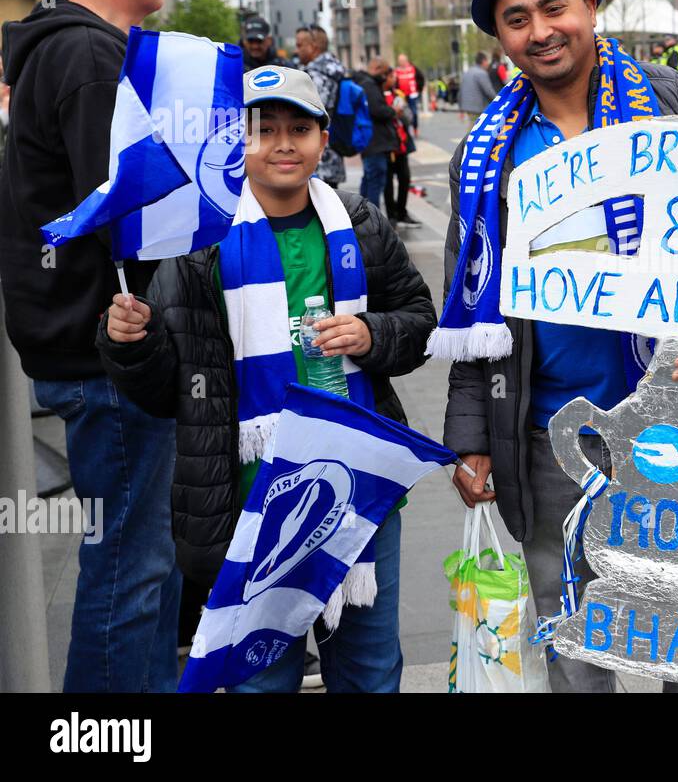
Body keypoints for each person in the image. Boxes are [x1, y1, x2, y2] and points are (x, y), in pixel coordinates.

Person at [434, 0, 678, 693]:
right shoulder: (487, 153)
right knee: (571, 639)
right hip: (549, 435)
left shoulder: (677, 104)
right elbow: (472, 310)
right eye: (516, 19)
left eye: (554, 8)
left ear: (590, 6)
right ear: (500, 37)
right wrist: (469, 440)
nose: (539, 31)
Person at [97, 66, 434, 692]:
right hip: (250, 496)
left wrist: (371, 335)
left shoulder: (359, 222)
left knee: (369, 667)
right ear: (233, 141)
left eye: (299, 127)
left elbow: (419, 321)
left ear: (322, 138)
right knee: (260, 678)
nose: (283, 142)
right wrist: (131, 343)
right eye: (262, 129)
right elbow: (163, 388)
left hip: (360, 486)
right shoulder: (198, 242)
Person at [0, 0, 178, 692]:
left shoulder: (67, 52)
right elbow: (120, 210)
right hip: (107, 355)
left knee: (145, 565)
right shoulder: (87, 57)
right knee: (128, 574)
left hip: (89, 345)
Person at [295, 24, 348, 188]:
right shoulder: (334, 69)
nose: (297, 51)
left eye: (300, 45)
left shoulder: (316, 75)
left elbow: (309, 112)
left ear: (313, 47)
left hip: (319, 160)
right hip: (331, 153)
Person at [354, 57, 399, 211]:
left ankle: (362, 216)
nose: (386, 76)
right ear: (377, 68)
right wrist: (394, 111)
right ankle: (372, 220)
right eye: (385, 72)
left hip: (371, 143)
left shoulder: (367, 84)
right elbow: (377, 110)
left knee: (369, 180)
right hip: (375, 143)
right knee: (375, 182)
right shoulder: (369, 86)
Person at [382, 65, 417, 227]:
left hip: (401, 144)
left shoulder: (398, 95)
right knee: (387, 182)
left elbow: (408, 117)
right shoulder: (378, 97)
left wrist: (402, 112)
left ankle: (402, 211)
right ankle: (392, 215)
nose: (394, 79)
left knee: (405, 178)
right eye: (391, 76)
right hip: (388, 145)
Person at [458, 51, 496, 118]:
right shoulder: (481, 73)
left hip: (467, 107)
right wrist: (499, 100)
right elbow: (489, 91)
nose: (488, 64)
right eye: (487, 61)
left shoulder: (468, 72)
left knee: (471, 126)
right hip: (477, 109)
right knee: (476, 127)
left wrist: (461, 107)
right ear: (484, 61)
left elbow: (460, 91)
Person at [394, 53, 420, 132]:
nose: (401, 62)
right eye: (400, 61)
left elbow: (420, 78)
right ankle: (406, 129)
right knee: (403, 113)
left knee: (414, 112)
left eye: (403, 60)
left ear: (406, 60)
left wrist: (420, 89)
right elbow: (394, 82)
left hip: (412, 94)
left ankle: (415, 127)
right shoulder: (397, 71)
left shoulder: (413, 69)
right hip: (402, 95)